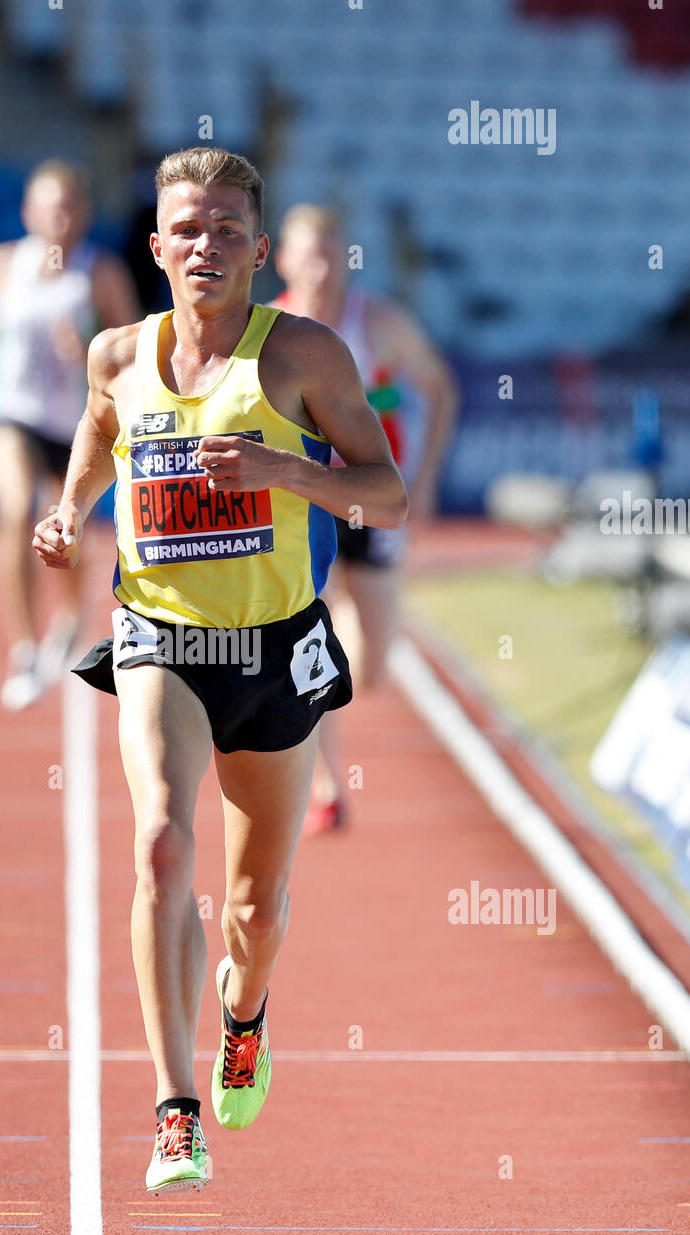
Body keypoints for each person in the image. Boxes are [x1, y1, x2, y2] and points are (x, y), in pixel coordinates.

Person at [33, 148, 407, 1193]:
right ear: (156, 246)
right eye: (186, 229)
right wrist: (67, 515)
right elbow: (96, 442)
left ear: (254, 247)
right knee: (159, 843)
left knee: (253, 908)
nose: (205, 247)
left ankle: (245, 1016)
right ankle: (172, 1109)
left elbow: (389, 494)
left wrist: (287, 468)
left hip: (273, 652)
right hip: (161, 638)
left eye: (227, 231)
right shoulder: (117, 353)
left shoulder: (304, 355)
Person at [272, 205, 459, 831]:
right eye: (308, 255)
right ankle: (326, 785)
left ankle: (345, 643)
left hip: (372, 501)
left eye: (331, 254)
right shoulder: (270, 328)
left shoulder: (376, 322)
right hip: (304, 504)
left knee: (372, 665)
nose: (321, 268)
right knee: (312, 646)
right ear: (283, 260)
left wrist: (426, 477)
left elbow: (439, 386)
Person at [0, 159, 139, 710]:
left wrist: (83, 356)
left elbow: (130, 356)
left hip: (75, 423)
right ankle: (23, 649)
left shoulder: (100, 272)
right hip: (11, 413)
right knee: (15, 509)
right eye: (49, 205)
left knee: (65, 527)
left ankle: (70, 620)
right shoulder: (0, 265)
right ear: (29, 211)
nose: (60, 216)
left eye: (71, 206)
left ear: (85, 214)